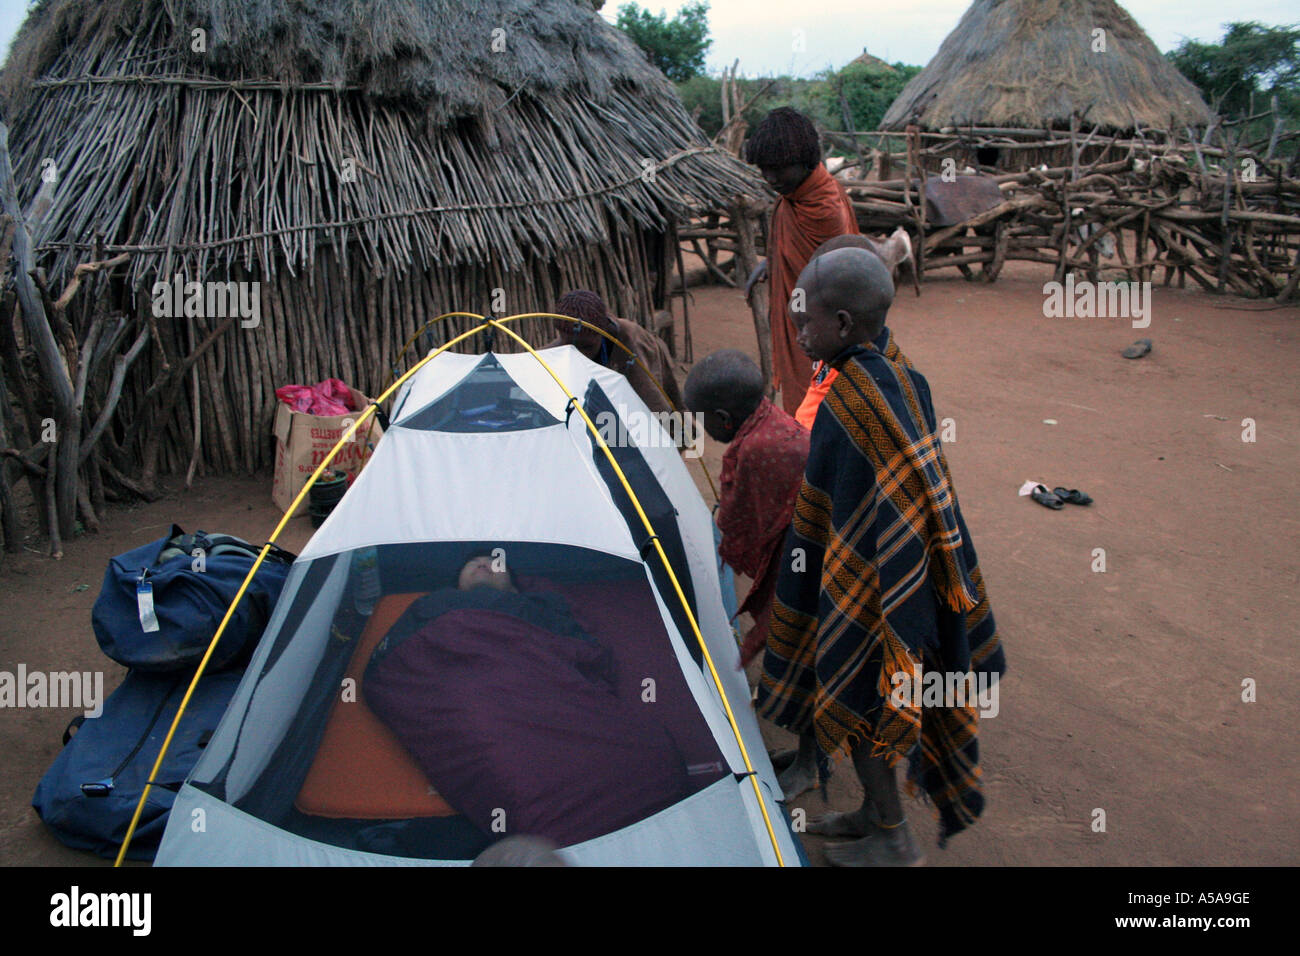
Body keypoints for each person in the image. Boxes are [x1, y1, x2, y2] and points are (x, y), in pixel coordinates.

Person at [756, 248, 1005, 866]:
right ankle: (873, 814)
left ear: (841, 325)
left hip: (877, 594)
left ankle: (894, 838)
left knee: (864, 702)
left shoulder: (850, 403)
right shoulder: (900, 374)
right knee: (863, 695)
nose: (797, 331)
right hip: (908, 576)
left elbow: (840, 511)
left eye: (805, 322)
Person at [683, 350, 809, 668]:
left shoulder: (757, 451)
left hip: (812, 561)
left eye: (702, 419)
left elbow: (760, 531)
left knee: (793, 617)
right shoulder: (770, 420)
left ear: (724, 420)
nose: (701, 427)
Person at [743, 108, 858, 417]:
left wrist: (819, 334)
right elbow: (799, 250)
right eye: (764, 169)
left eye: (778, 168)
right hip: (802, 324)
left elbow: (838, 282)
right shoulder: (793, 196)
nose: (769, 178)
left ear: (804, 160)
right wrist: (772, 264)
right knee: (803, 402)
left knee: (821, 408)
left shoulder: (824, 208)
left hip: (821, 332)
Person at [793, 234, 914, 430]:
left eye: (807, 323)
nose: (800, 337)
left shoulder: (859, 394)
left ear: (842, 323)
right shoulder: (837, 355)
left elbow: (816, 442)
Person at [547, 289, 684, 418]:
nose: (580, 354)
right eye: (570, 347)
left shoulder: (631, 343)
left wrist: (674, 437)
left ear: (603, 331)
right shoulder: (565, 339)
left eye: (587, 347)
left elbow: (654, 403)